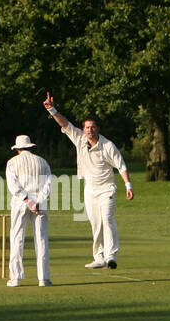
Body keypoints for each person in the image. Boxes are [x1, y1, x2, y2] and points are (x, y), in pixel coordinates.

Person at [43, 92, 134, 268]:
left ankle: (111, 255)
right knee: (96, 222)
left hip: (107, 188)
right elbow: (65, 124)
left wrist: (128, 186)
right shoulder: (79, 138)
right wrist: (52, 109)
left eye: (92, 127)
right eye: (86, 127)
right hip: (90, 189)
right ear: (83, 129)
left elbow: (121, 166)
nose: (89, 130)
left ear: (97, 129)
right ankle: (99, 257)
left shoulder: (108, 145)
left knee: (107, 219)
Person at [5, 134, 52, 287]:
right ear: (31, 147)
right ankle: (43, 278)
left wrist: (27, 200)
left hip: (20, 203)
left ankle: (16, 278)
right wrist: (38, 201)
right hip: (40, 204)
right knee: (41, 239)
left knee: (17, 238)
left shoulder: (12, 162)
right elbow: (48, 185)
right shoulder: (43, 162)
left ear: (17, 149)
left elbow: (13, 185)